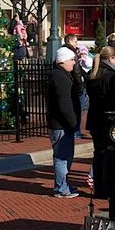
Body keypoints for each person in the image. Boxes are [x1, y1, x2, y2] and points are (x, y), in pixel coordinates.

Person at [86, 46, 115, 194]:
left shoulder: (93, 73)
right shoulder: (111, 75)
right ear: (110, 58)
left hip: (95, 118)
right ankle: (107, 188)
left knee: (98, 153)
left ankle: (99, 188)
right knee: (109, 153)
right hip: (108, 119)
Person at [47, 47, 81, 198]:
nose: (74, 63)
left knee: (65, 156)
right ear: (63, 61)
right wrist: (73, 123)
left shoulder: (62, 75)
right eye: (71, 60)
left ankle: (63, 184)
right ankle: (61, 188)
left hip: (62, 124)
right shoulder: (59, 78)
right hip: (61, 124)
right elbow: (64, 104)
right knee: (62, 157)